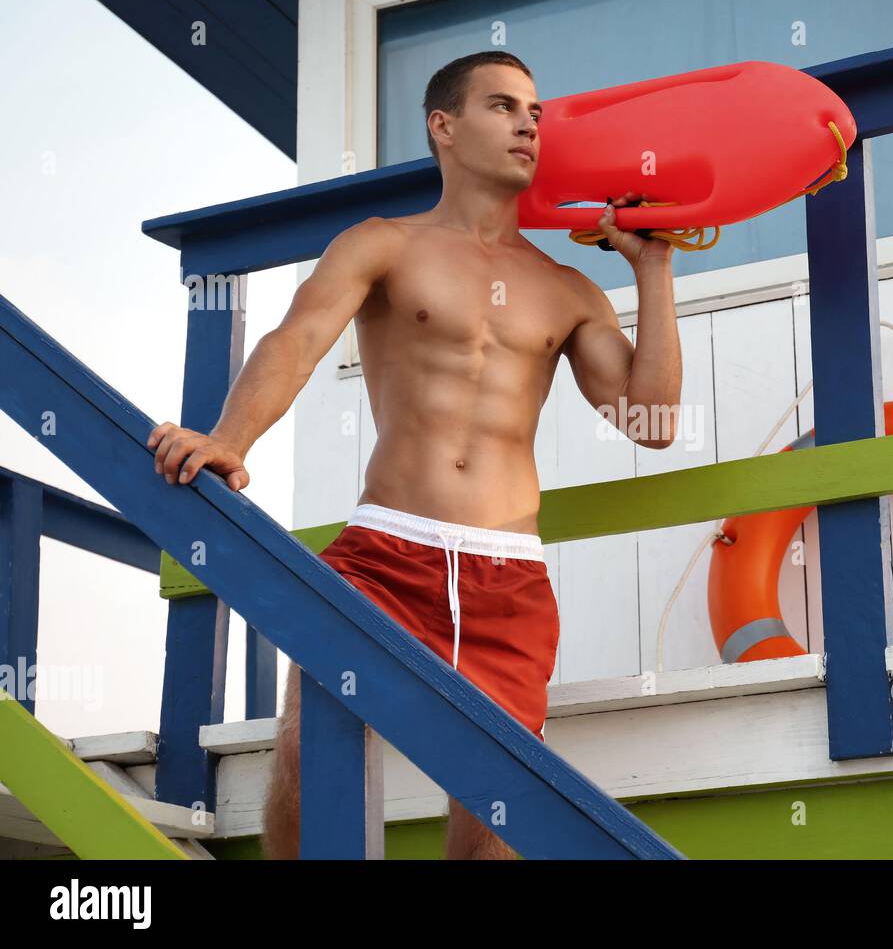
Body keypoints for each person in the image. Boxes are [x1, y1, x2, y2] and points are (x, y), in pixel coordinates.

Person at [146, 51, 681, 859]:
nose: (528, 124)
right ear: (444, 126)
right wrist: (228, 441)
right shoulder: (382, 245)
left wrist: (656, 270)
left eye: (535, 112)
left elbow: (653, 420)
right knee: (303, 754)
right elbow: (297, 341)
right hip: (386, 554)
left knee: (497, 821)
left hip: (510, 577)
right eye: (503, 107)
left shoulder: (570, 288)